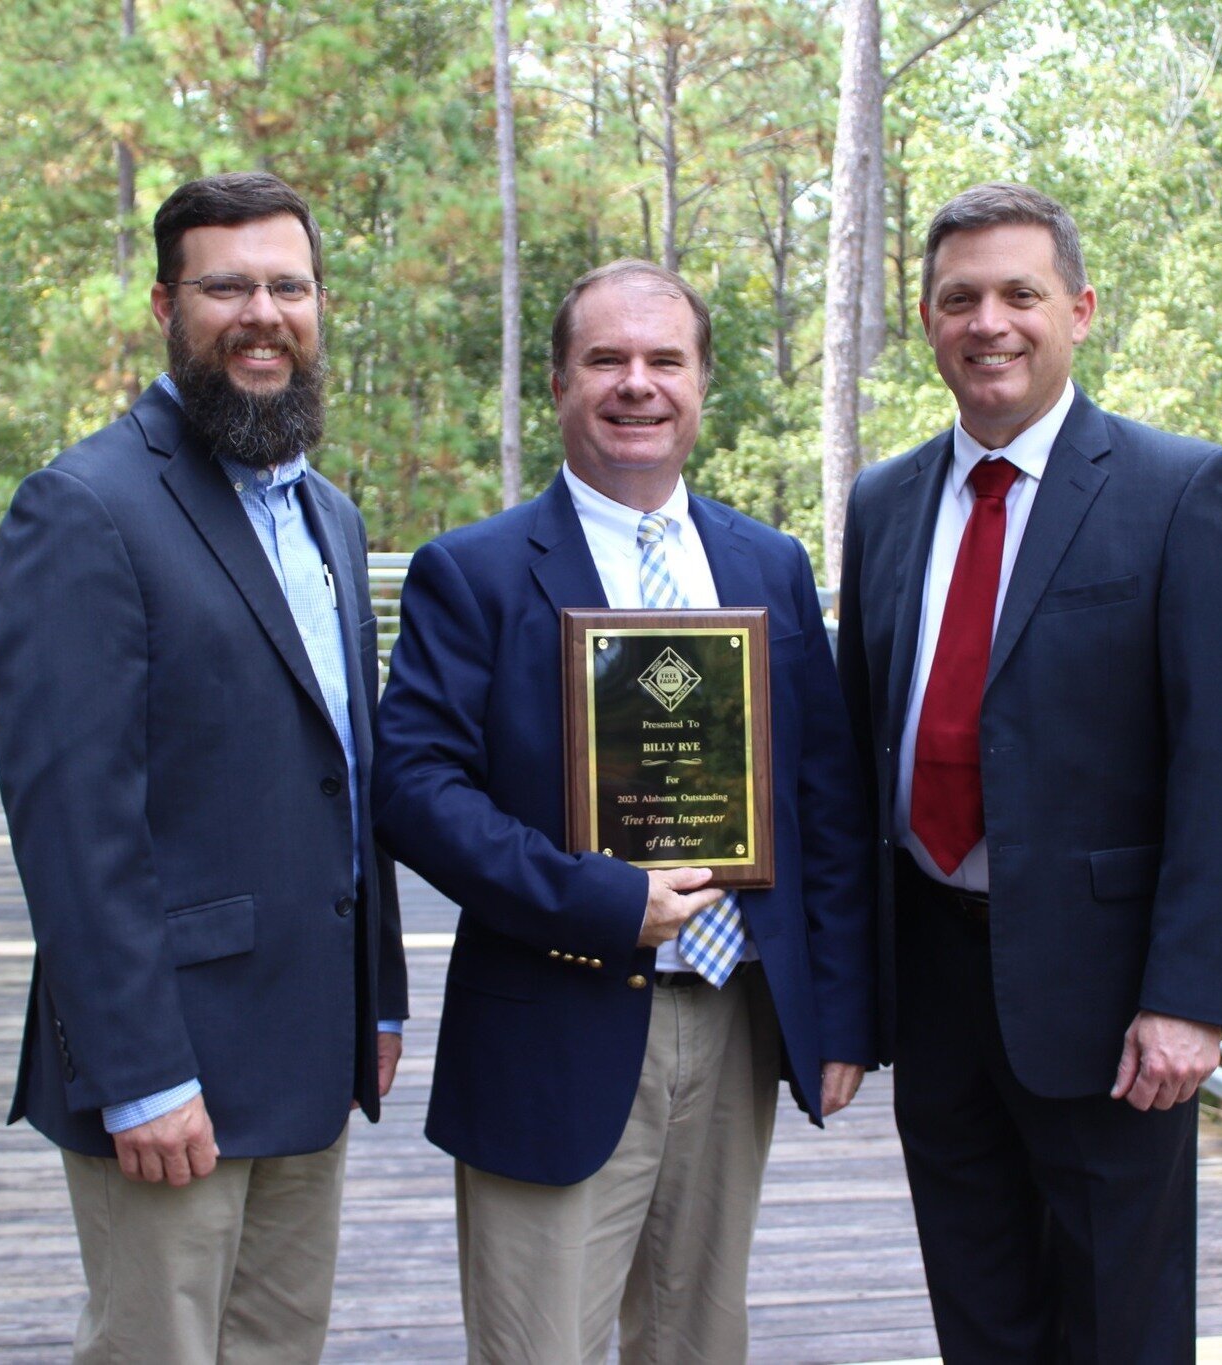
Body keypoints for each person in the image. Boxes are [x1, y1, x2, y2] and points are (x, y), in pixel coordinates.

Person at [373, 259, 875, 1364]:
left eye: (665, 361)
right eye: (606, 360)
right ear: (558, 384)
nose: (635, 384)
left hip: (739, 1015)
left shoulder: (769, 565)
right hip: (554, 1013)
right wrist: (598, 897)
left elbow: (822, 798)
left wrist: (839, 1009)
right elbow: (413, 789)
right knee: (537, 1343)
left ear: (703, 385)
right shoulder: (477, 572)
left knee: (700, 1337)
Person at [836, 181, 1222, 1361]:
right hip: (929, 979)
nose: (991, 322)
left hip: (1109, 1001)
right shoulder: (883, 506)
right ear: (927, 322)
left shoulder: (1179, 491)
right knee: (978, 1311)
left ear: (1078, 310)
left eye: (1019, 294)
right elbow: (853, 742)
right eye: (960, 298)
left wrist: (1189, 997)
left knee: (1121, 1322)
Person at [0, 172, 406, 1364]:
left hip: (309, 1048)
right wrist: (140, 1074)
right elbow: (75, 824)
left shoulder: (330, 515)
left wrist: (374, 990)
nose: (261, 312)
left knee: (280, 1347)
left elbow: (345, 771)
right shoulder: (84, 507)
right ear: (166, 305)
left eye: (289, 285)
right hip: (173, 1070)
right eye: (227, 286)